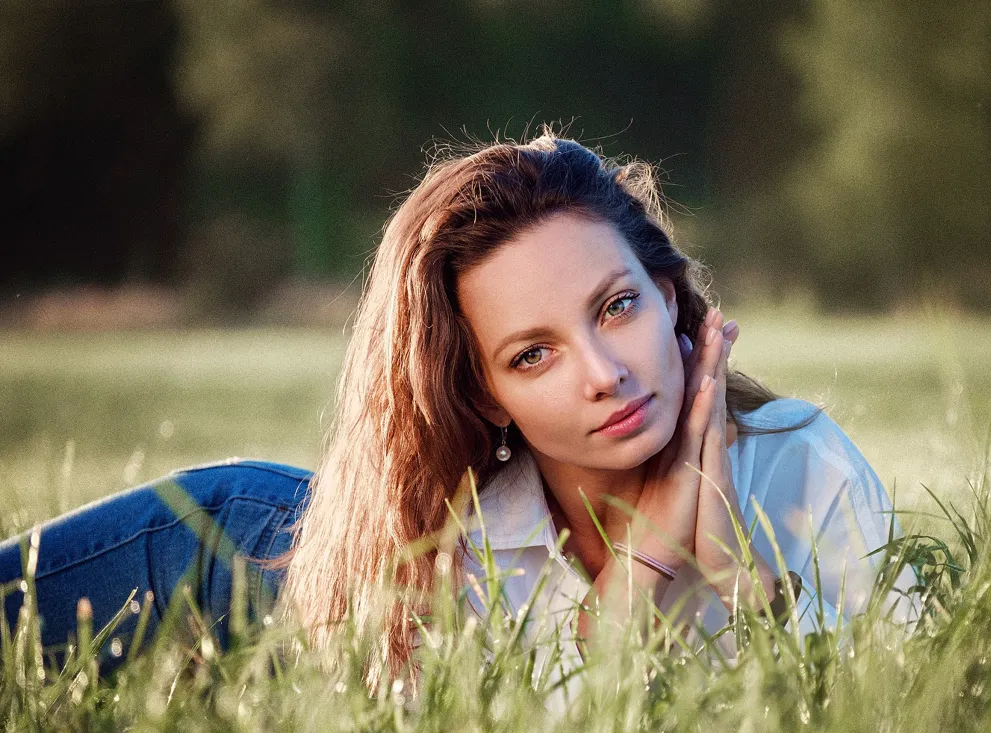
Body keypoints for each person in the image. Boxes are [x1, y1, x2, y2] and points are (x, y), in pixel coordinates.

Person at [0, 132, 917, 690]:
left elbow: (867, 703)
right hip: (259, 551)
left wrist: (710, 565)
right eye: (532, 354)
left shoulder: (803, 470)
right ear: (487, 395)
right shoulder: (452, 556)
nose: (603, 373)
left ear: (671, 298)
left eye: (616, 306)